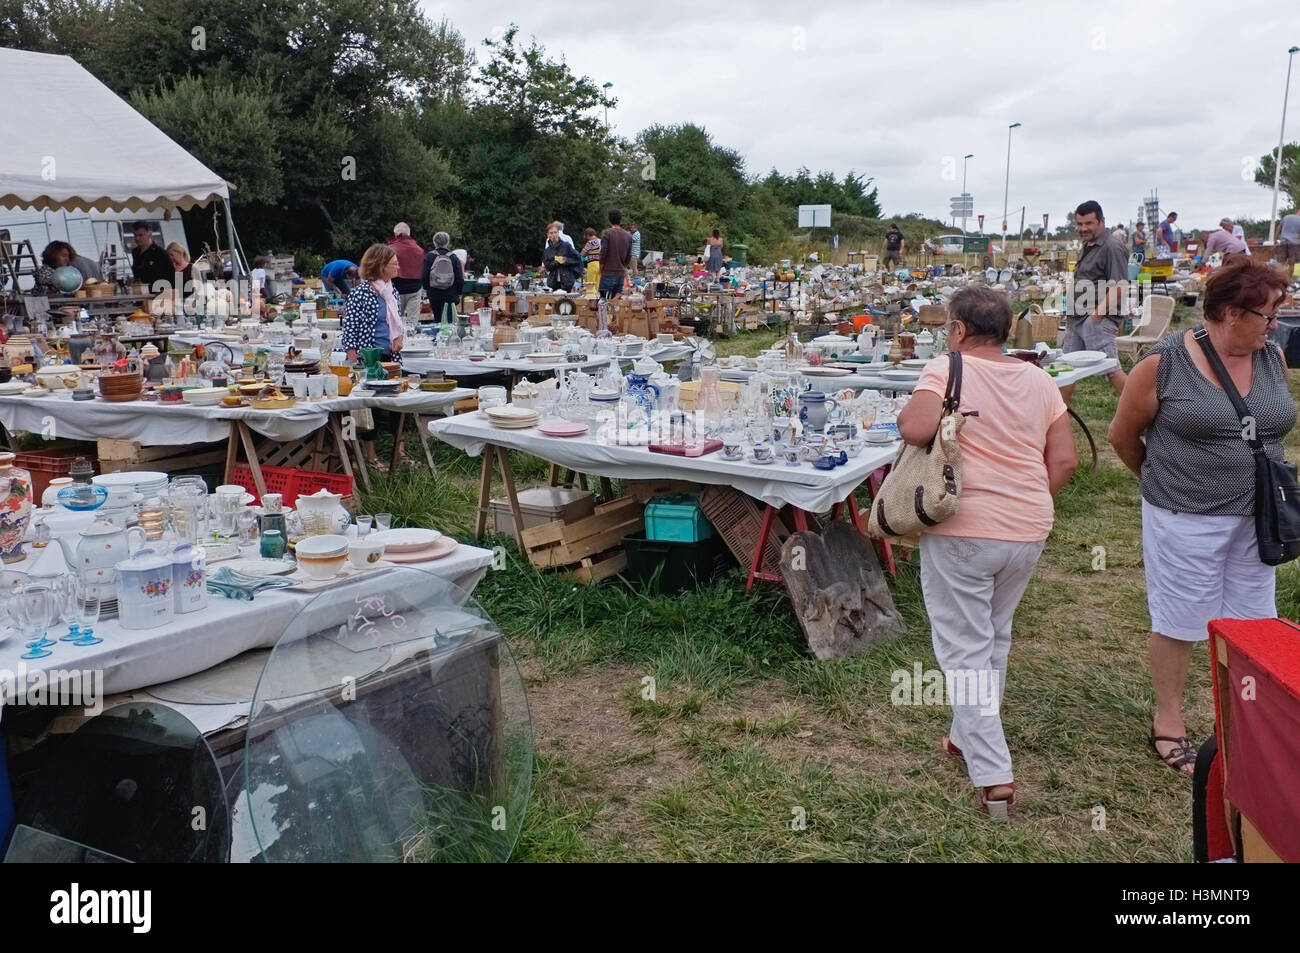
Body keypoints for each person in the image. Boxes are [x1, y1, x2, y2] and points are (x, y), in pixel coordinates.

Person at [1107, 258, 1295, 775]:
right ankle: (1169, 724)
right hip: (1184, 515)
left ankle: (1244, 721)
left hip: (1259, 517)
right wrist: (1164, 485)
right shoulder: (1163, 363)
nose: (1275, 323)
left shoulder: (1272, 357)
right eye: (1267, 314)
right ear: (1232, 312)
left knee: (1252, 621)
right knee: (1180, 619)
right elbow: (1122, 436)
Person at [896, 287, 1078, 818]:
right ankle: (963, 736)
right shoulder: (1040, 380)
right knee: (992, 636)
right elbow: (1063, 462)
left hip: (962, 528)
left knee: (964, 651)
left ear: (957, 330)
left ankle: (994, 775)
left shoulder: (946, 367)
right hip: (1027, 529)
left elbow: (914, 427)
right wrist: (1023, 501)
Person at [1060, 200, 1130, 402]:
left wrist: (1096, 316)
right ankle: (1057, 417)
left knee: (1111, 370)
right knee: (1065, 370)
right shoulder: (1089, 244)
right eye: (1080, 224)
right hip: (1077, 319)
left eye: (1089, 223)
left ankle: (1143, 416)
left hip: (1096, 320)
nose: (1083, 228)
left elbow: (1120, 285)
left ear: (1102, 221)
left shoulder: (1112, 247)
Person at [341, 243, 404, 362]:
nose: (398, 267)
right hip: (366, 358)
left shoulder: (392, 292)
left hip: (390, 357)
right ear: (381, 266)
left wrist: (398, 340)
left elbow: (396, 323)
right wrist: (353, 363)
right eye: (395, 264)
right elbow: (350, 331)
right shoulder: (360, 294)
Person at [421, 231, 464, 323]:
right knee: (449, 321)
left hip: (434, 293)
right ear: (447, 242)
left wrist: (427, 288)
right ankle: (449, 337)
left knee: (438, 319)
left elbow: (424, 276)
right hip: (450, 293)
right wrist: (459, 292)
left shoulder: (429, 256)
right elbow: (459, 277)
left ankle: (438, 336)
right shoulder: (453, 257)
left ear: (434, 242)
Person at [388, 222, 426, 320]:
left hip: (396, 288)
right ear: (409, 234)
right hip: (415, 289)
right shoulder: (419, 250)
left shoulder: (390, 249)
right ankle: (411, 335)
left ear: (396, 234)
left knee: (395, 320)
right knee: (412, 322)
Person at [599, 209, 632, 299]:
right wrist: (623, 266)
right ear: (620, 220)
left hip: (608, 272)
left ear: (609, 220)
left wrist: (601, 268)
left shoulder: (607, 233)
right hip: (620, 273)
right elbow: (629, 256)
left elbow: (603, 253)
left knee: (603, 301)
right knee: (616, 304)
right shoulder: (628, 236)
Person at [130, 221, 172, 289]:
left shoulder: (160, 253)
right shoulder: (135, 252)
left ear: (149, 234)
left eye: (140, 235)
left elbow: (169, 275)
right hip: (140, 293)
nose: (137, 238)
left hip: (158, 293)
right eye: (135, 235)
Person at [542, 223, 580, 292]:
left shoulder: (566, 246)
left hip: (567, 281)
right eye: (551, 233)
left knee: (566, 302)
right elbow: (547, 267)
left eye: (555, 232)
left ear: (558, 233)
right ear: (548, 235)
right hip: (553, 283)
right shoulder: (547, 251)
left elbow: (577, 259)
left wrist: (565, 260)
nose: (554, 235)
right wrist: (555, 262)